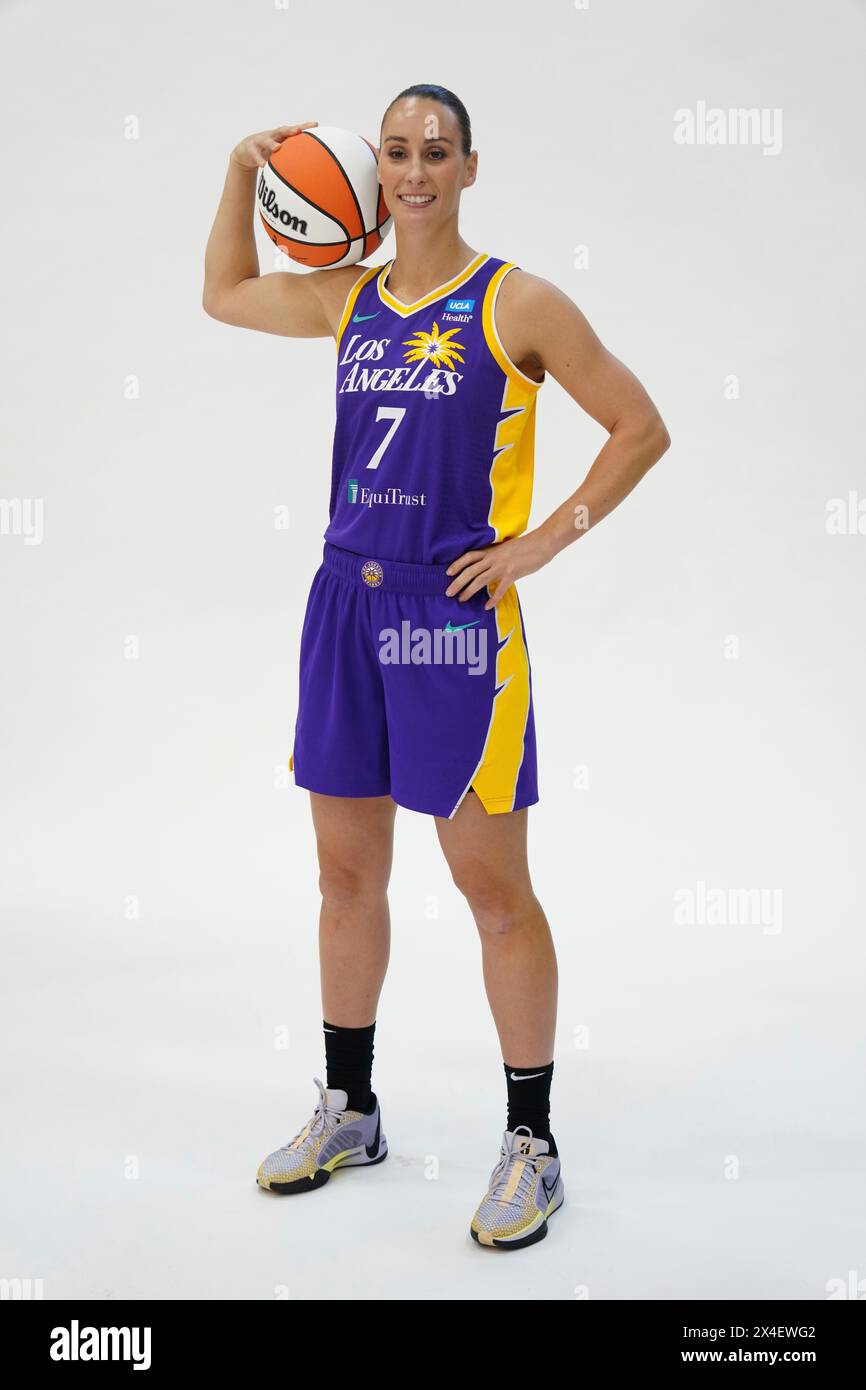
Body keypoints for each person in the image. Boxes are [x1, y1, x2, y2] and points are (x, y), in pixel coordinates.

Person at [203, 84, 670, 1251]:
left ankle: (530, 1142)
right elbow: (219, 293)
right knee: (345, 878)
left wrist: (532, 547)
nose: (414, 170)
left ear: (468, 167)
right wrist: (234, 174)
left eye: (435, 152)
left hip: (452, 624)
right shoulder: (346, 297)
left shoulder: (519, 301)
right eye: (398, 151)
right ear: (378, 168)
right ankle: (350, 1107)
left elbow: (639, 426)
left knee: (489, 887)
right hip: (343, 605)